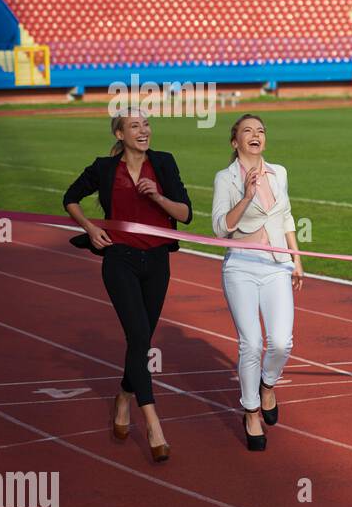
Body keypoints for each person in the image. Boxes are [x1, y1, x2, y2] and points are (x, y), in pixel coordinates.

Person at [63, 110, 193, 463]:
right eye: (135, 126)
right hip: (119, 260)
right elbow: (70, 198)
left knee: (142, 339)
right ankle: (153, 423)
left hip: (157, 261)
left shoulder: (164, 163)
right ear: (119, 134)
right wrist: (91, 229)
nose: (144, 130)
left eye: (146, 124)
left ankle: (123, 397)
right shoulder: (104, 169)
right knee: (137, 337)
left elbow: (184, 213)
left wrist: (158, 198)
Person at [211, 114, 302, 452]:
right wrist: (247, 195)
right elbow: (220, 228)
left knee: (281, 343)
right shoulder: (226, 178)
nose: (256, 135)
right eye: (247, 131)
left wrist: (296, 258)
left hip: (277, 264)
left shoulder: (279, 173)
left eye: (261, 130)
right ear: (235, 142)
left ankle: (268, 383)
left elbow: (287, 214)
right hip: (241, 267)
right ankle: (250, 411)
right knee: (251, 343)